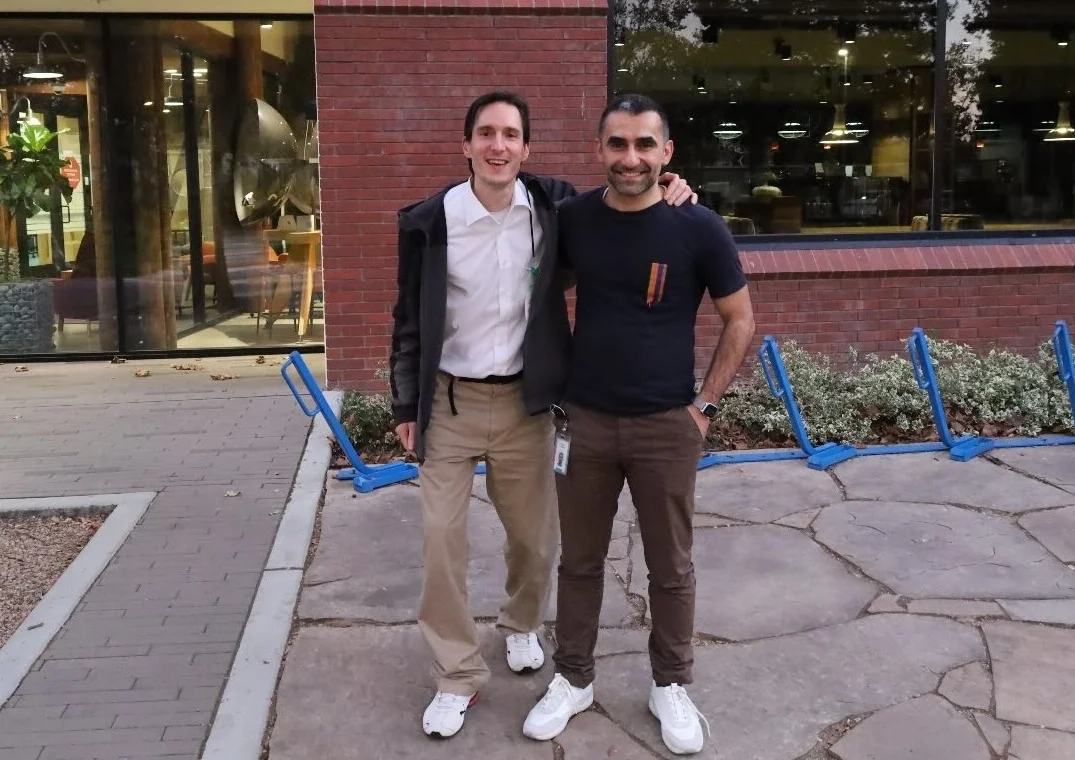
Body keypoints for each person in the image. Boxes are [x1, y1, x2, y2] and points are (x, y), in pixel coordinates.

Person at [388, 90, 696, 740]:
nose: (498, 146)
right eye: (486, 133)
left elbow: (625, 186)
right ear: (465, 144)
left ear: (526, 149)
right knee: (440, 542)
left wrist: (670, 184)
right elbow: (407, 321)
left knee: (533, 541)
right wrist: (402, 402)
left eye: (510, 135)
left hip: (526, 403)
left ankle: (522, 623)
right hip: (448, 402)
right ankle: (455, 676)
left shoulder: (554, 210)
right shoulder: (428, 222)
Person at [522, 93, 756, 755]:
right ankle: (573, 678)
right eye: (617, 144)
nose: (630, 158)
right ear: (598, 150)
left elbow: (740, 318)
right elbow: (512, 198)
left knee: (671, 568)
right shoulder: (571, 218)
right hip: (585, 422)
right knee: (579, 563)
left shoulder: (697, 227)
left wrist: (703, 406)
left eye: (644, 145)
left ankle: (670, 684)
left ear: (666, 153)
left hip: (665, 425)